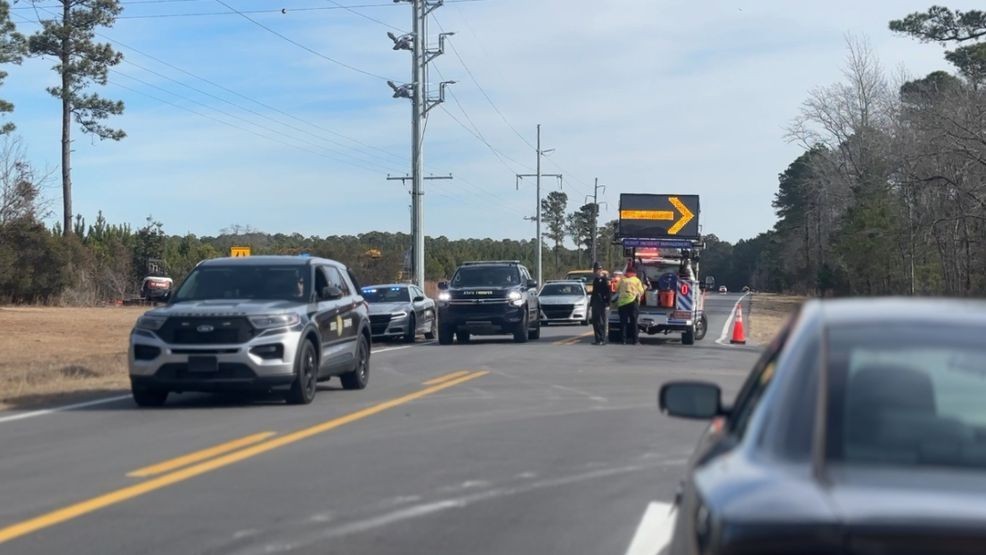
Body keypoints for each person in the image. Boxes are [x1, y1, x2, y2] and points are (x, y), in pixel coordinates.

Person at [616, 266, 645, 345]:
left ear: (627, 273)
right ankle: (635, 340)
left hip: (622, 303)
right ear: (634, 273)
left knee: (623, 323)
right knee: (634, 322)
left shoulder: (622, 280)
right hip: (633, 302)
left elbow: (616, 288)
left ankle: (623, 340)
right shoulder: (636, 280)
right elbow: (641, 291)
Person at [588, 261, 611, 345]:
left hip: (602, 303)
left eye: (598, 269)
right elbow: (594, 292)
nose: (597, 271)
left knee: (602, 322)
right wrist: (591, 304)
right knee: (595, 321)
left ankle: (602, 339)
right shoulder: (595, 280)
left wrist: (607, 303)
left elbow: (608, 292)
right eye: (596, 269)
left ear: (601, 270)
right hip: (595, 303)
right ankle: (597, 339)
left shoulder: (604, 280)